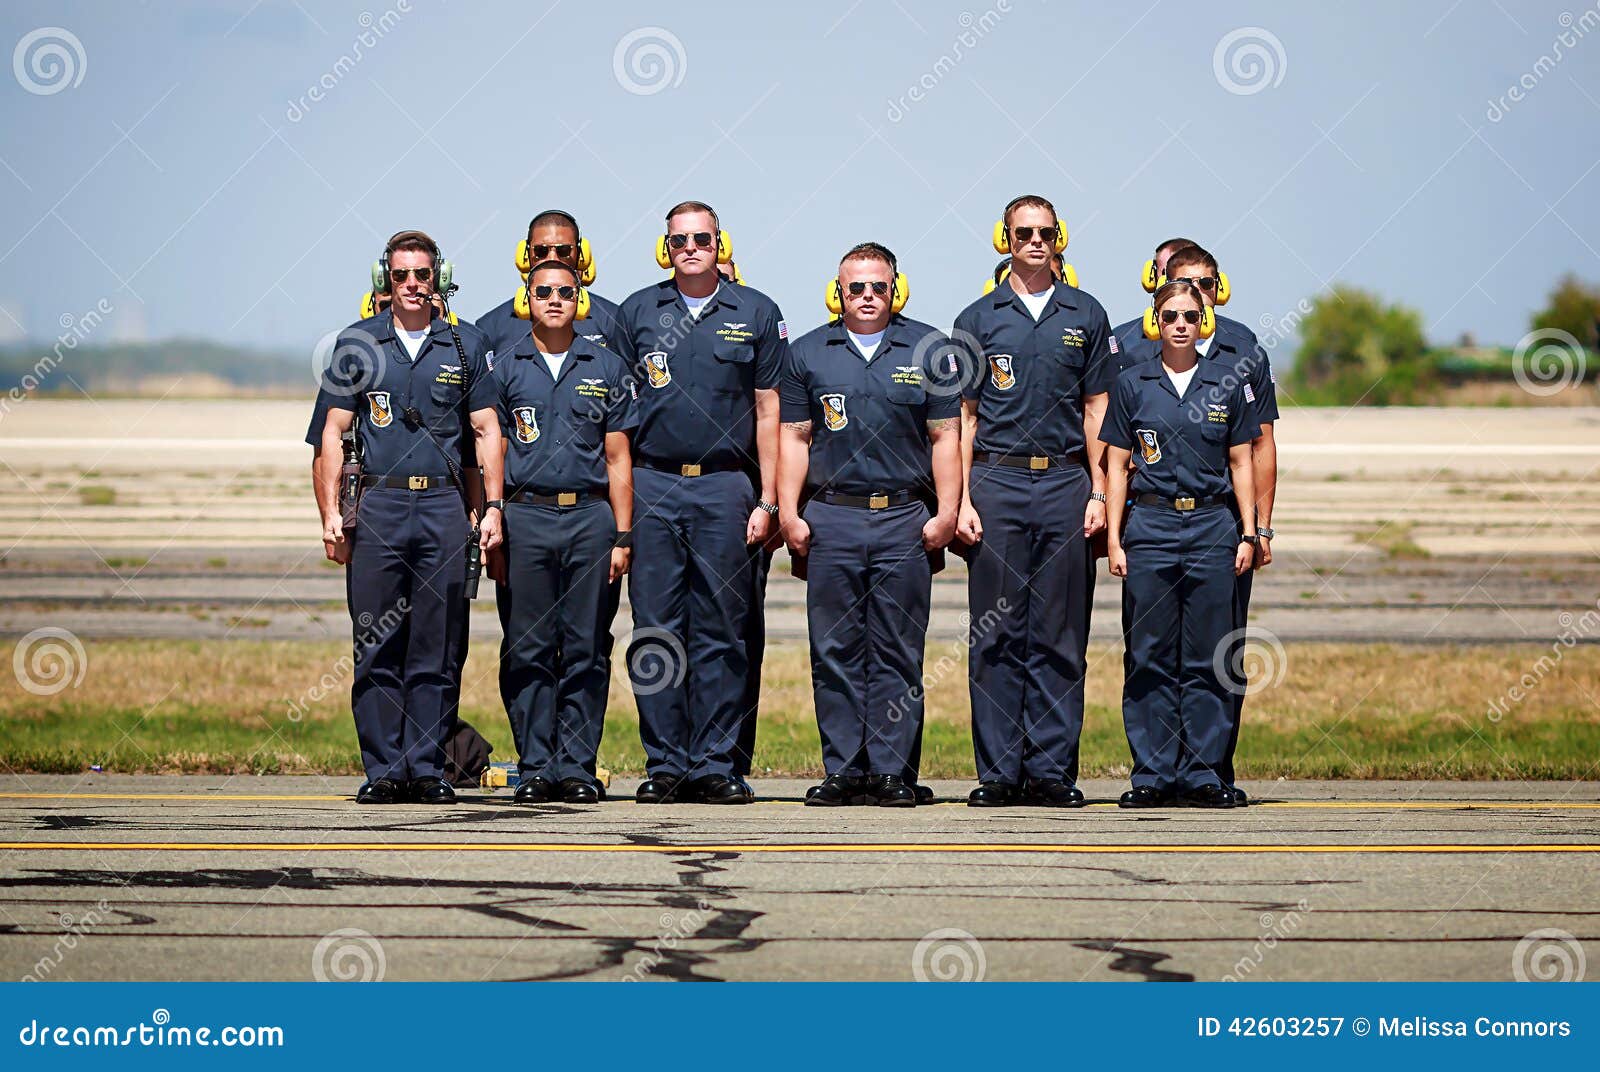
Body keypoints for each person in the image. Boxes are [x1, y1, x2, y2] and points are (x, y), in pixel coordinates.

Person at [314, 230, 503, 805]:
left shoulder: (466, 345)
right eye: (401, 276)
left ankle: (427, 767)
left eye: (422, 275)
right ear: (385, 282)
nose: (413, 286)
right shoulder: (357, 344)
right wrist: (330, 516)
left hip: (445, 505)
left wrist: (492, 506)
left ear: (437, 278)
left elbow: (487, 430)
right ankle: (384, 769)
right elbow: (331, 433)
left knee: (439, 645)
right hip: (380, 506)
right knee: (377, 641)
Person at [609, 201, 786, 804]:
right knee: (656, 630)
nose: (692, 247)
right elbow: (615, 422)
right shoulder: (635, 312)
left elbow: (770, 412)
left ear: (720, 242)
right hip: (654, 483)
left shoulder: (756, 311)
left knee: (723, 630)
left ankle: (714, 762)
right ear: (666, 247)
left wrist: (768, 497)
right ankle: (666, 764)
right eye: (680, 239)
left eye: (703, 238)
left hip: (725, 486)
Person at [779, 242, 959, 806]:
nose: (867, 297)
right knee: (833, 649)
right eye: (855, 287)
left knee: (897, 649)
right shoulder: (807, 352)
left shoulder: (931, 349)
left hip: (903, 518)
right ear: (838, 290)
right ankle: (844, 769)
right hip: (831, 516)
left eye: (878, 286)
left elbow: (946, 437)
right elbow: (794, 438)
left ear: (895, 288)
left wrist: (948, 512)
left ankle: (892, 771)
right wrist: (789, 512)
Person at [953, 195, 1116, 808]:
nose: (1035, 241)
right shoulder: (977, 317)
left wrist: (1099, 492)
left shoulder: (1087, 313)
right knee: (995, 634)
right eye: (1023, 232)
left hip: (1066, 484)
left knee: (1059, 633)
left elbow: (1098, 410)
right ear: (1005, 239)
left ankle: (1051, 770)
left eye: (1047, 232)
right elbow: (963, 417)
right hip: (995, 484)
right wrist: (963, 499)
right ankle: (998, 773)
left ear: (1061, 237)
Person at [1111, 243, 1279, 804]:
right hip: (1152, 529)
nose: (1181, 322)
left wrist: (1254, 532)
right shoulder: (1133, 379)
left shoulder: (1230, 373)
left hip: (1212, 528)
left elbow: (1246, 458)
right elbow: (1115, 461)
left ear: (1206, 312)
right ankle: (1154, 775)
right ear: (1154, 320)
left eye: (1190, 313)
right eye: (1170, 314)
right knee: (1150, 655)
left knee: (1212, 655)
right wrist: (1114, 537)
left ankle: (1206, 773)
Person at [491, 261, 636, 805]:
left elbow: (618, 455)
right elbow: (495, 453)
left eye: (566, 292)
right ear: (527, 298)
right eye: (543, 291)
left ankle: (576, 765)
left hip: (590, 520)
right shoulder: (504, 368)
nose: (555, 299)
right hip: (525, 518)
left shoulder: (608, 366)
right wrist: (495, 521)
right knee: (528, 645)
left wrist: (623, 536)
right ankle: (534, 765)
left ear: (581, 298)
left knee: (585, 647)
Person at [477, 210, 621, 357]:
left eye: (563, 250)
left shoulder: (615, 321)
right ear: (525, 256)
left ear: (581, 255)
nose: (552, 258)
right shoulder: (491, 327)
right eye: (541, 251)